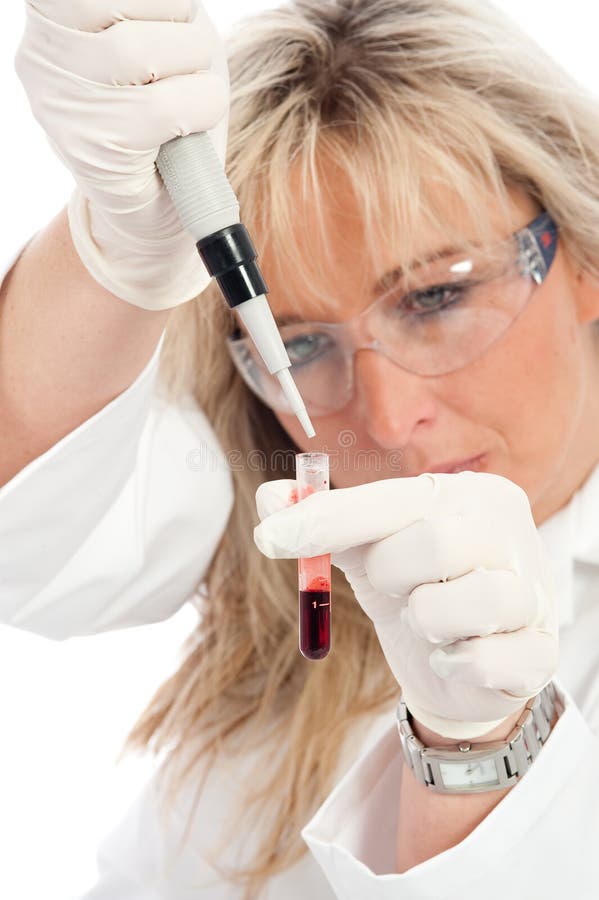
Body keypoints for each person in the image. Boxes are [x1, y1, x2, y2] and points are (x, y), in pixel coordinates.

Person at [2, 0, 599, 897]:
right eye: (304, 345)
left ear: (584, 257)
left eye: (435, 298)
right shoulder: (278, 495)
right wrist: (112, 248)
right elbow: (33, 527)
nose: (389, 421)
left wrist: (478, 748)